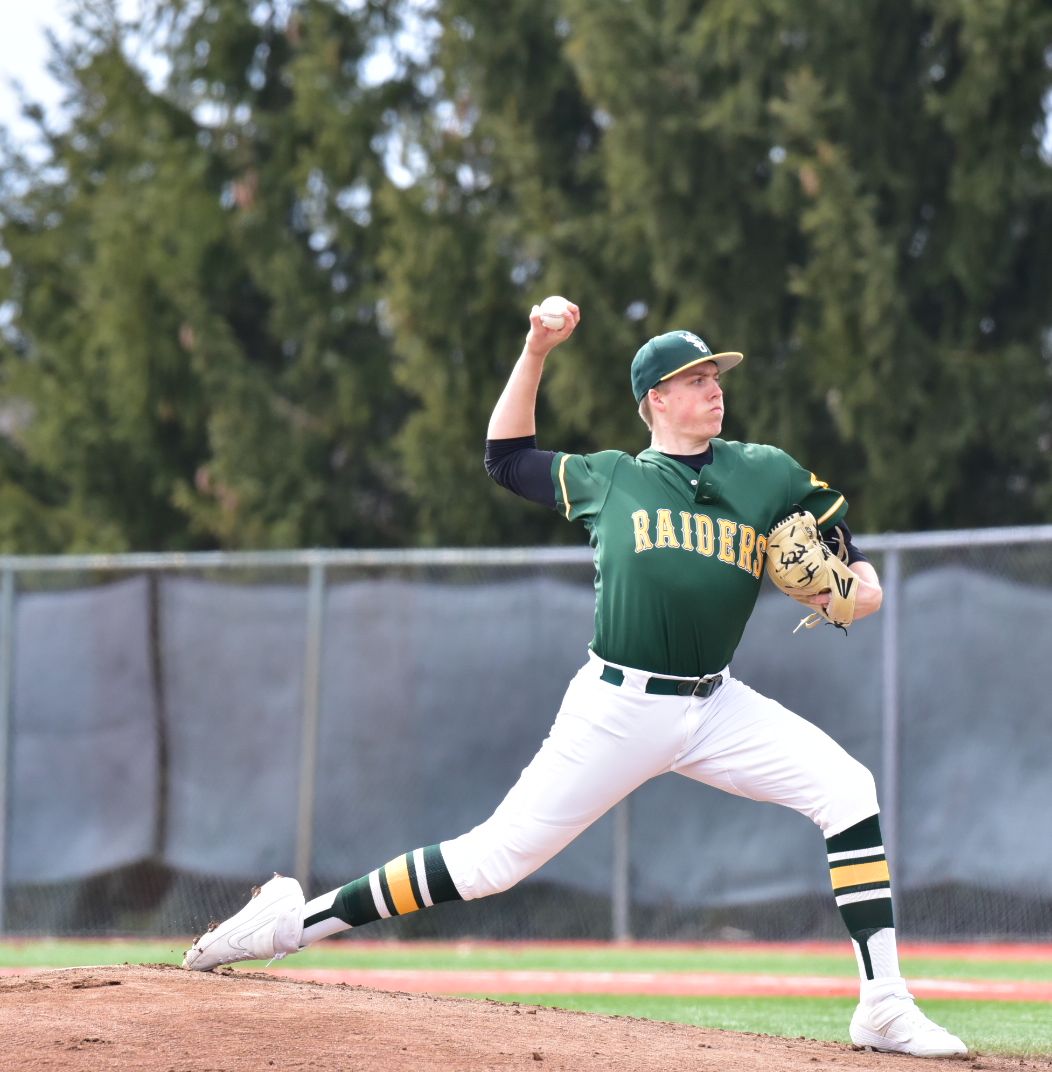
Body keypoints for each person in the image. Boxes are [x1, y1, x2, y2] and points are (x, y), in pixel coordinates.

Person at [184, 304, 966, 1057]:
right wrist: (536, 352)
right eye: (695, 379)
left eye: (716, 376)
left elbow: (840, 537)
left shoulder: (765, 473)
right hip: (618, 707)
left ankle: (884, 1006)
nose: (714, 388)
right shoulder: (612, 479)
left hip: (717, 703)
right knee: (491, 863)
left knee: (848, 788)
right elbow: (505, 457)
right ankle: (293, 922)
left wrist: (860, 582)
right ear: (654, 400)